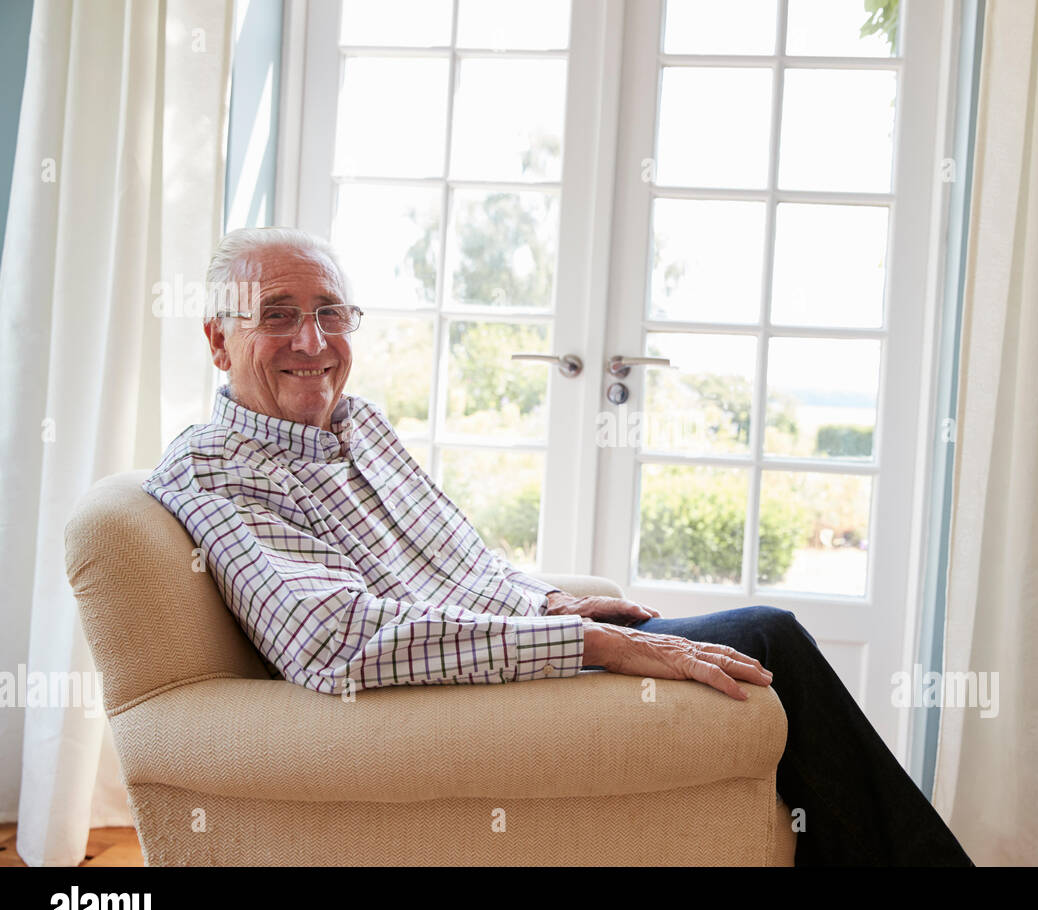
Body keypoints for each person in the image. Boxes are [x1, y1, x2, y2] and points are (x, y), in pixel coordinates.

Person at [143, 226, 974, 867]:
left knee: (766, 640)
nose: (314, 342)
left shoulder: (359, 425)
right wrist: (589, 644)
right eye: (279, 316)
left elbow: (460, 562)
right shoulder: (214, 466)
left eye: (330, 313)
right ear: (218, 340)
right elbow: (332, 639)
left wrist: (549, 604)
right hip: (440, 705)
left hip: (513, 654)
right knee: (765, 637)